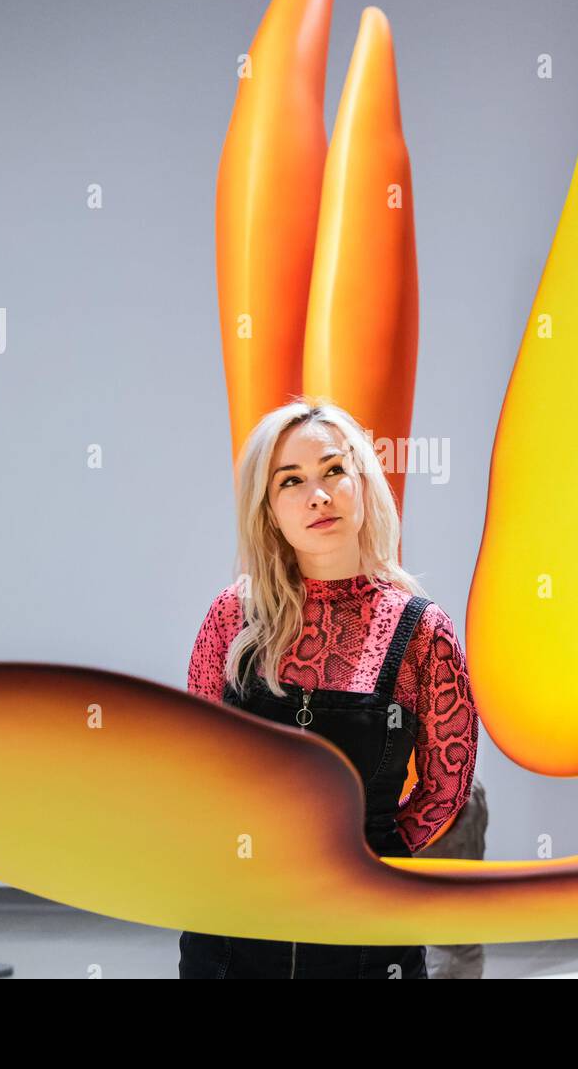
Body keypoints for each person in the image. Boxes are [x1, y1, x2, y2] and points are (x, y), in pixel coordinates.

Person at [180, 397, 479, 979]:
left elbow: (446, 789)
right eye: (290, 480)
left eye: (334, 470)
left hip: (364, 938)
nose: (318, 495)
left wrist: (369, 864)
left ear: (362, 484)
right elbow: (196, 764)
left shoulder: (422, 633)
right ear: (269, 511)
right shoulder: (232, 617)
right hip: (234, 931)